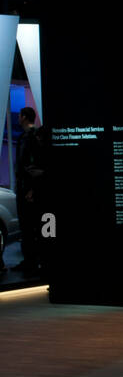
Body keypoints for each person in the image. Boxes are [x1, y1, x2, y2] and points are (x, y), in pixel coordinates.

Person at [15, 107, 47, 275]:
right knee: (26, 226)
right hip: (25, 188)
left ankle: (33, 263)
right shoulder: (26, 137)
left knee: (31, 226)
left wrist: (32, 189)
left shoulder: (33, 137)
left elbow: (36, 166)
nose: (18, 118)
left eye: (19, 116)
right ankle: (29, 261)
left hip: (29, 190)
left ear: (25, 117)